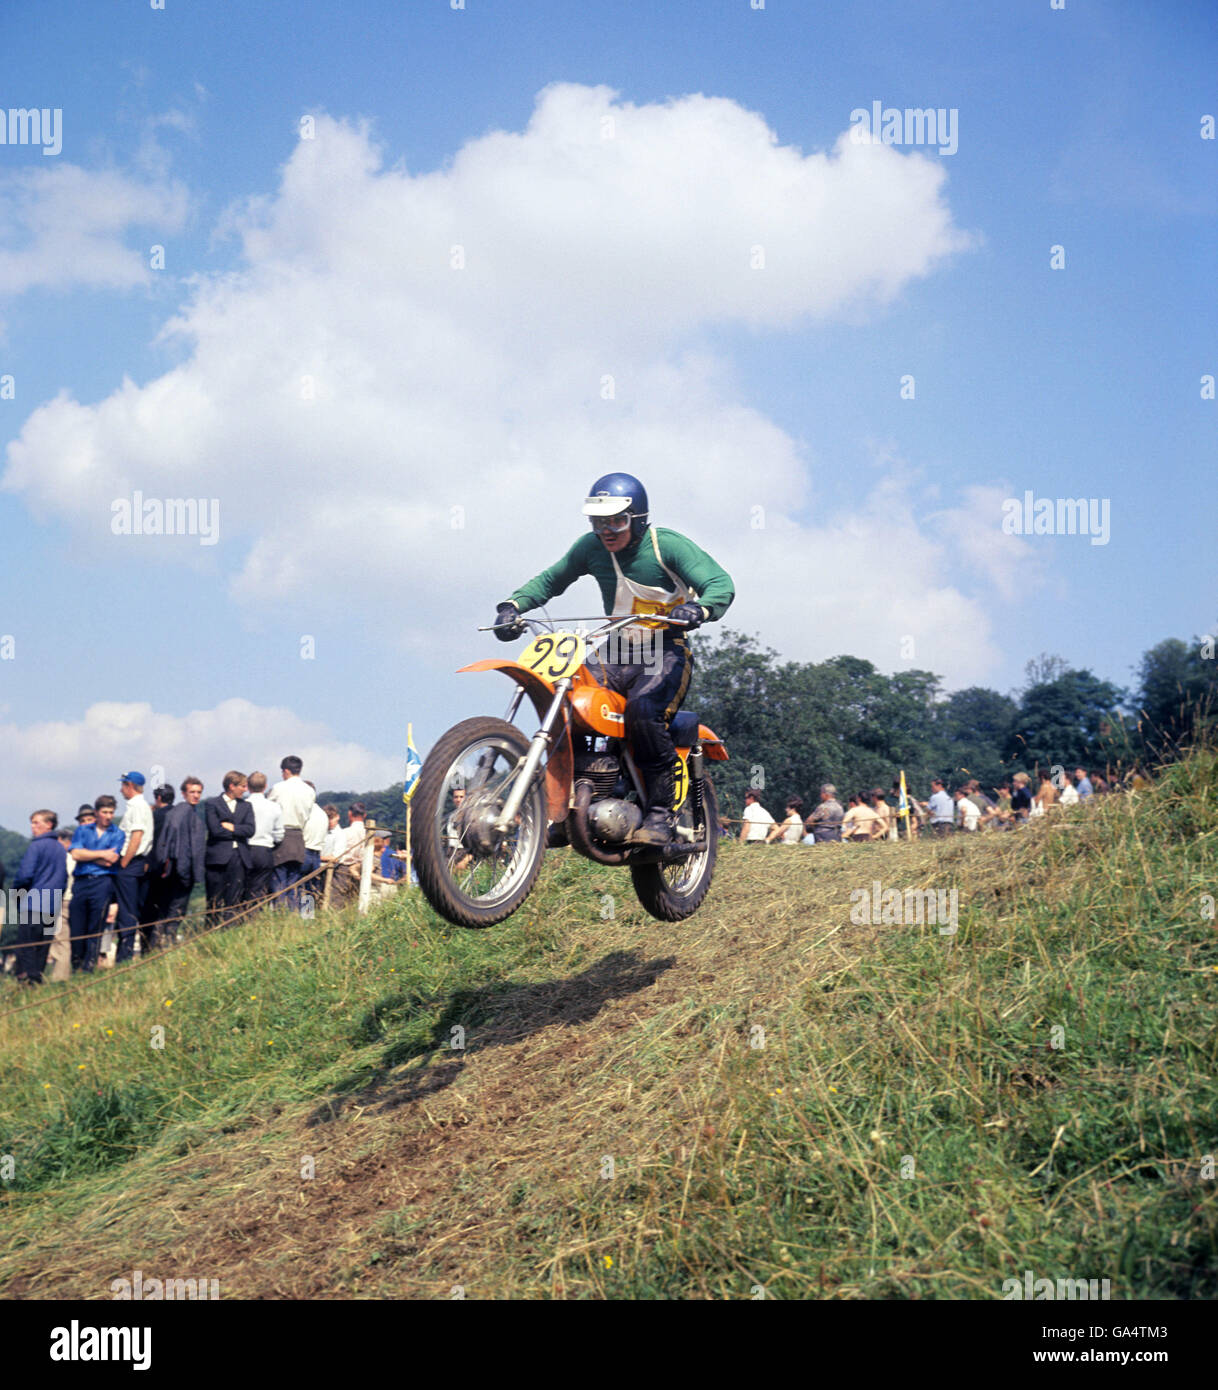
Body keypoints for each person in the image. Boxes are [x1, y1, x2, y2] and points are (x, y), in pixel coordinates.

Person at [494, 472, 734, 846]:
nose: (606, 531)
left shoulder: (665, 545)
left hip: (665, 650)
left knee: (643, 711)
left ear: (637, 519)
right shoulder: (589, 549)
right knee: (567, 703)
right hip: (615, 650)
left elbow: (720, 583)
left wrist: (700, 610)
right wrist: (513, 606)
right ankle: (566, 807)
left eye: (616, 521)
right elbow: (551, 580)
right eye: (598, 522)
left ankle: (660, 815)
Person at [11, 809, 68, 986]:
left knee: (26, 945)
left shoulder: (36, 845)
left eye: (36, 822)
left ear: (49, 824)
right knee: (43, 947)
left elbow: (25, 875)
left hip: (33, 901)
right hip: (53, 904)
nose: (32, 826)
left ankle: (29, 981)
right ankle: (39, 980)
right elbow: (64, 877)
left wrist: (16, 892)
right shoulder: (60, 848)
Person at [68, 796, 124, 972]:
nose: (108, 816)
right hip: (82, 881)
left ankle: (88, 967)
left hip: (103, 882)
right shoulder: (83, 831)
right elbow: (75, 854)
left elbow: (111, 860)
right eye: (105, 812)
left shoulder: (118, 833)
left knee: (95, 926)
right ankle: (76, 965)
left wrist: (88, 854)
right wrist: (101, 854)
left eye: (111, 812)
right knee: (76, 928)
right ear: (96, 813)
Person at [113, 772, 154, 965]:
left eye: (123, 785)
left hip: (130, 862)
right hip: (138, 862)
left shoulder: (136, 807)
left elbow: (136, 837)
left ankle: (125, 956)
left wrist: (123, 862)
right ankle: (126, 953)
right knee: (131, 908)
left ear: (129, 785)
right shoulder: (142, 806)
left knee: (126, 911)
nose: (121, 789)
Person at [204, 772, 254, 926]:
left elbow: (250, 830)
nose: (246, 790)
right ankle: (212, 930)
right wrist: (239, 830)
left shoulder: (246, 806)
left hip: (239, 857)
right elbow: (215, 830)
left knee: (234, 899)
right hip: (217, 858)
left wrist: (231, 827)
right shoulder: (212, 804)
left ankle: (231, 930)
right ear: (232, 786)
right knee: (214, 898)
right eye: (243, 786)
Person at [268, 756, 315, 907]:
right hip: (299, 837)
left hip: (282, 836)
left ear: (286, 771)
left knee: (279, 881)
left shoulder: (279, 788)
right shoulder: (309, 791)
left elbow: (270, 810)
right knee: (294, 883)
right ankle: (293, 915)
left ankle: (280, 914)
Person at [245, 771, 285, 906]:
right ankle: (255, 918)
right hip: (264, 849)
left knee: (243, 888)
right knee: (259, 890)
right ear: (265, 786)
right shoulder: (274, 807)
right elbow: (279, 834)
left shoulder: (244, 804)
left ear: (248, 786)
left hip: (245, 848)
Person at [302, 782, 328, 904]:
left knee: (296, 886)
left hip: (303, 852)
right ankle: (307, 916)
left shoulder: (304, 811)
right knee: (310, 890)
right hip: (316, 855)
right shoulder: (323, 814)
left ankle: (293, 916)